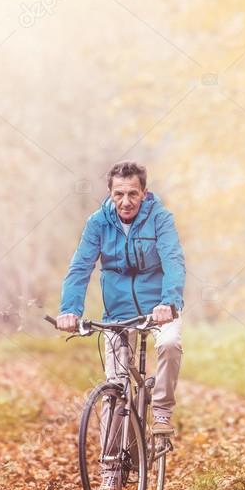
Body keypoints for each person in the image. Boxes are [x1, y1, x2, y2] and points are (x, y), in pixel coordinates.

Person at [56, 160, 185, 438]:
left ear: (144, 192)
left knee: (171, 344)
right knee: (114, 388)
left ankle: (161, 410)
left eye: (133, 194)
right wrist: (69, 310)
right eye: (119, 194)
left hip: (160, 309)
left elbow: (173, 261)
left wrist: (169, 303)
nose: (126, 202)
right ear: (110, 194)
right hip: (117, 313)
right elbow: (80, 268)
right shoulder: (98, 223)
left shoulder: (160, 218)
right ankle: (110, 470)